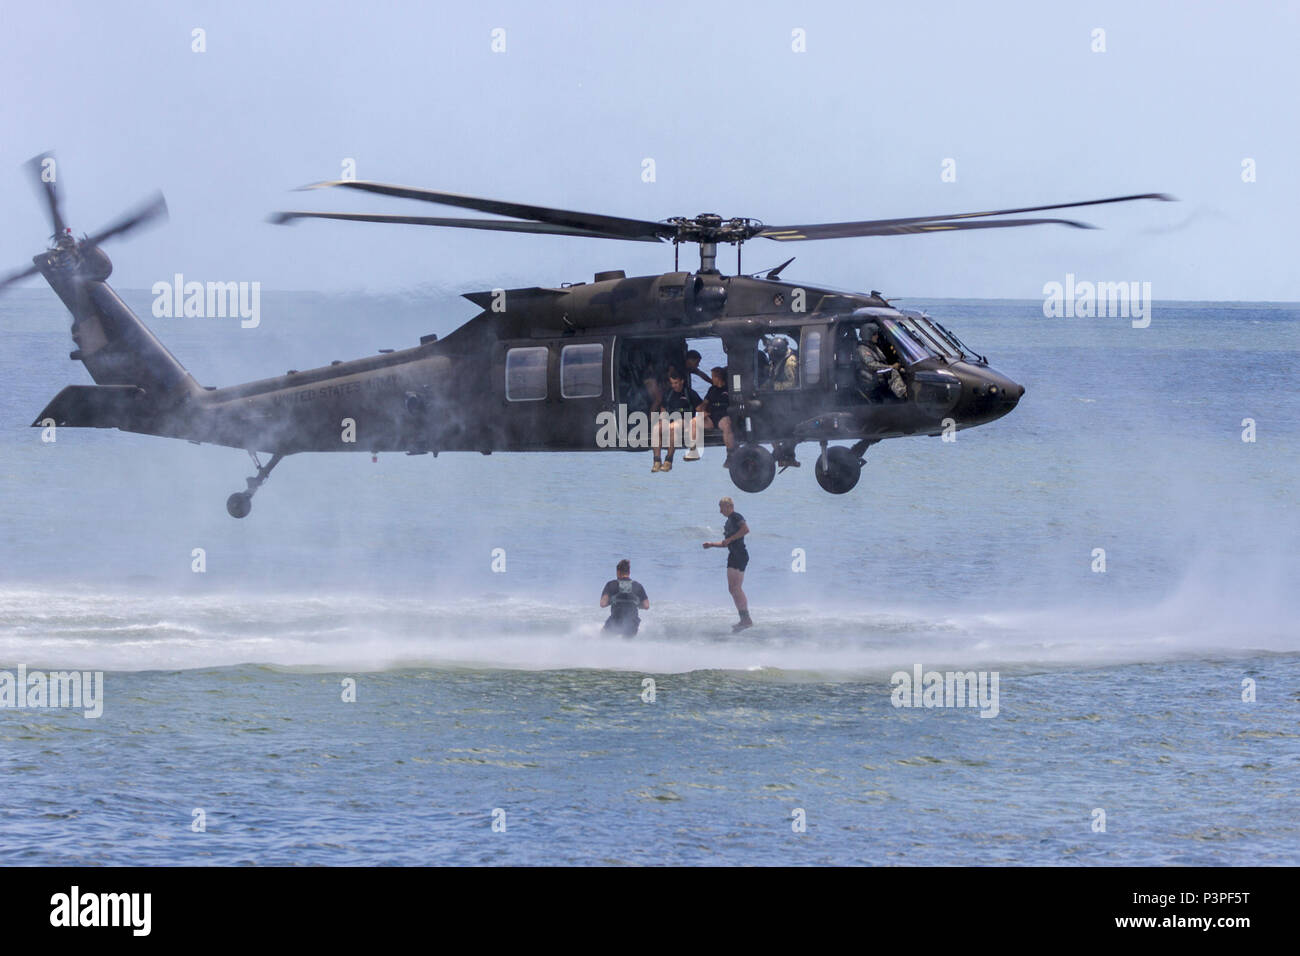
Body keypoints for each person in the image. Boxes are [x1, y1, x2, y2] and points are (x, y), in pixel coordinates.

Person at [702, 497, 752, 631]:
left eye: (721, 508)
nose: (720, 511)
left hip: (740, 555)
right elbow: (726, 544)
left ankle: (746, 619)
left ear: (729, 506)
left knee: (736, 588)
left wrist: (731, 538)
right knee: (732, 589)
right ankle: (744, 619)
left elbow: (746, 529)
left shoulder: (736, 517)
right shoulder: (728, 522)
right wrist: (712, 544)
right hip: (733, 555)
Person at [652, 367, 702, 472]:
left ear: (682, 381)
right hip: (670, 419)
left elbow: (700, 409)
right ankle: (657, 460)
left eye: (676, 383)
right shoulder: (669, 394)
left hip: (685, 420)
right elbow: (663, 408)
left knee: (673, 428)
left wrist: (696, 423)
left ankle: (668, 460)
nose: (674, 385)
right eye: (672, 383)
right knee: (656, 428)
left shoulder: (690, 393)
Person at [855, 323, 908, 400]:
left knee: (903, 371)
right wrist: (891, 367)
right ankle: (904, 395)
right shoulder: (862, 349)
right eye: (875, 334)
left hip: (875, 373)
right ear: (869, 335)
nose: (877, 336)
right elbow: (871, 364)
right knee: (893, 372)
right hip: (869, 375)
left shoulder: (873, 347)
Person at [697, 366, 737, 466]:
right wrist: (702, 411)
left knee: (726, 425)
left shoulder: (729, 389)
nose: (712, 379)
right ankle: (694, 451)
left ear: (718, 378)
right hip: (711, 416)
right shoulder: (712, 389)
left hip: (723, 416)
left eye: (713, 377)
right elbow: (704, 403)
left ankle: (730, 455)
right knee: (694, 423)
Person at [600, 558, 650, 636]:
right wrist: (636, 603)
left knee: (603, 636)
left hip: (615, 622)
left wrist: (613, 600)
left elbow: (602, 604)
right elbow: (646, 606)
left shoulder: (611, 584)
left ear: (618, 572)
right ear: (629, 572)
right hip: (632, 623)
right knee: (628, 642)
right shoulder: (638, 586)